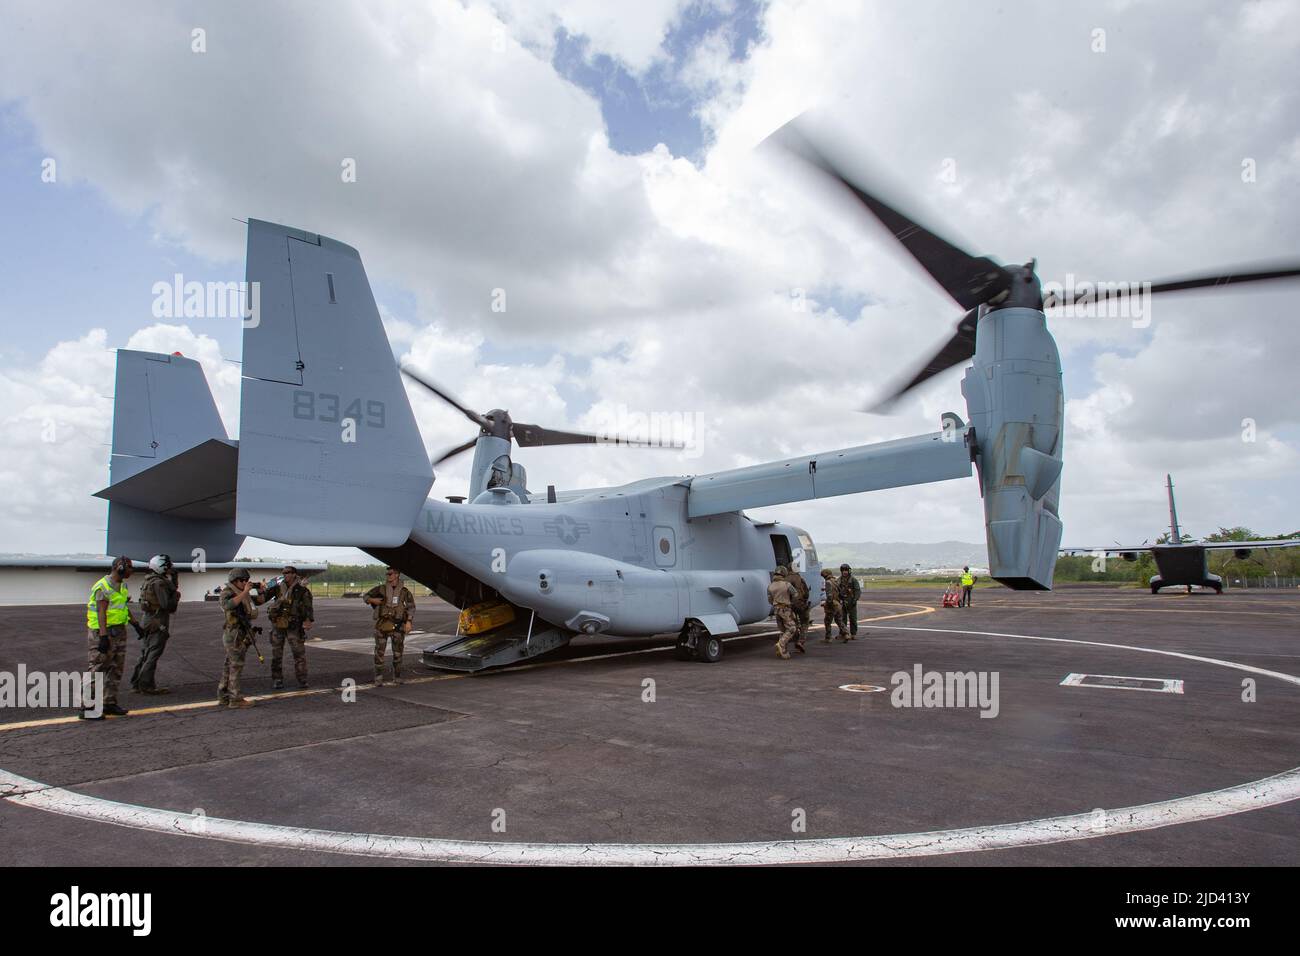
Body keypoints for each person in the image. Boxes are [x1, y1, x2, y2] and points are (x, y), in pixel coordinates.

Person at [84, 556, 137, 719]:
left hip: (119, 631)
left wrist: (135, 624)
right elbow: (101, 612)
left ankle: (109, 703)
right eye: (129, 567)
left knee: (115, 668)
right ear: (119, 568)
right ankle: (87, 707)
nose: (131, 571)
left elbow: (122, 607)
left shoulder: (122, 586)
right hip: (103, 632)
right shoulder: (103, 586)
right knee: (97, 668)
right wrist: (103, 636)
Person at [130, 554, 180, 695]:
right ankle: (146, 685)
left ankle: (136, 683)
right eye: (168, 566)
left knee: (145, 652)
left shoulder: (149, 580)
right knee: (153, 653)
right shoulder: (159, 583)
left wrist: (174, 579)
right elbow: (166, 604)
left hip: (148, 619)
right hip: (158, 620)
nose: (170, 568)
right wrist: (176, 598)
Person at [262, 565, 314, 689]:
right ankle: (277, 679)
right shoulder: (277, 588)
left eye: (288, 572)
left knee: (299, 654)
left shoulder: (302, 590)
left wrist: (308, 621)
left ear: (294, 574)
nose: (285, 574)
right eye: (284, 572)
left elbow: (308, 606)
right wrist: (258, 590)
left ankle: (302, 679)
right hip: (278, 625)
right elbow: (261, 599)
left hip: (294, 626)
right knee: (276, 655)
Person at [218, 568, 264, 708]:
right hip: (234, 634)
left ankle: (224, 696)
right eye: (242, 580)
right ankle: (235, 699)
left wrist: (260, 590)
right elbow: (227, 605)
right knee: (236, 665)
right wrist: (245, 592)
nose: (245, 583)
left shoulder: (244, 593)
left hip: (241, 632)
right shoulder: (227, 592)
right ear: (235, 581)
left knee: (230, 665)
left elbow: (259, 601)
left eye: (246, 580)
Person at [364, 567, 415, 685]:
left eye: (390, 574)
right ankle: (378, 678)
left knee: (398, 653)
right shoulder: (380, 589)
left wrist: (409, 622)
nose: (388, 576)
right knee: (379, 653)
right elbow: (365, 597)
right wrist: (373, 600)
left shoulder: (404, 591)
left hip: (398, 625)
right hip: (382, 625)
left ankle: (397, 677)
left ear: (397, 575)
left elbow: (411, 607)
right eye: (387, 574)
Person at [768, 567, 799, 659]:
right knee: (792, 628)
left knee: (783, 630)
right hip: (785, 609)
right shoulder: (787, 584)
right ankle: (781, 644)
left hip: (776, 610)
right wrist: (791, 602)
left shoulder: (770, 586)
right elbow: (795, 594)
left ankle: (783, 651)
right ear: (784, 574)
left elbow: (769, 600)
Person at [786, 564, 811, 652]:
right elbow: (806, 593)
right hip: (800, 604)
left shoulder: (785, 579)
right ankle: (800, 641)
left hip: (789, 605)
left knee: (794, 624)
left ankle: (795, 641)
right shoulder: (800, 578)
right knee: (805, 622)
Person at [820, 568, 848, 642]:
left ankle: (828, 638)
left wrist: (827, 604)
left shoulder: (828, 582)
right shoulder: (835, 581)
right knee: (839, 620)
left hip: (832, 604)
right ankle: (846, 634)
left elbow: (829, 595)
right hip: (838, 603)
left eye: (823, 575)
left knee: (827, 621)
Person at [838, 564, 861, 639]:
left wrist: (855, 600)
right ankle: (843, 633)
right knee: (842, 619)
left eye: (846, 570)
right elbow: (837, 590)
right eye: (843, 570)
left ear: (849, 571)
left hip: (851, 601)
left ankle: (853, 634)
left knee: (853, 618)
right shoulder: (839, 580)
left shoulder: (853, 580)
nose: (845, 572)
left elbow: (857, 591)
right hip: (842, 602)